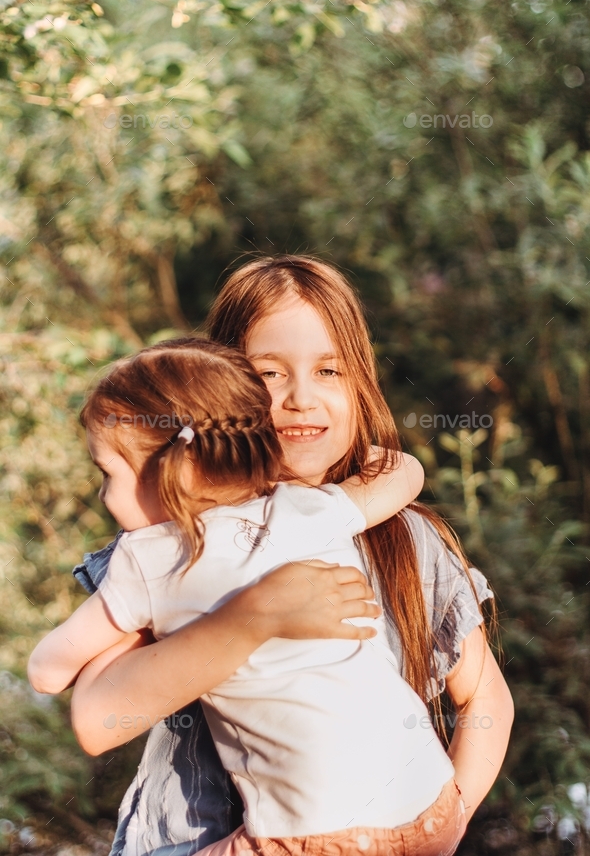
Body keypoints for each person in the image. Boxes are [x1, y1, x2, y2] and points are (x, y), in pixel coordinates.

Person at [64, 256, 513, 856]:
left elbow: (485, 696)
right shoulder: (173, 545)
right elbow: (101, 722)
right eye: (270, 374)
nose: (302, 398)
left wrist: (442, 822)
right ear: (222, 394)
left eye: (329, 370)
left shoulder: (405, 540)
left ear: (360, 386)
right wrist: (252, 616)